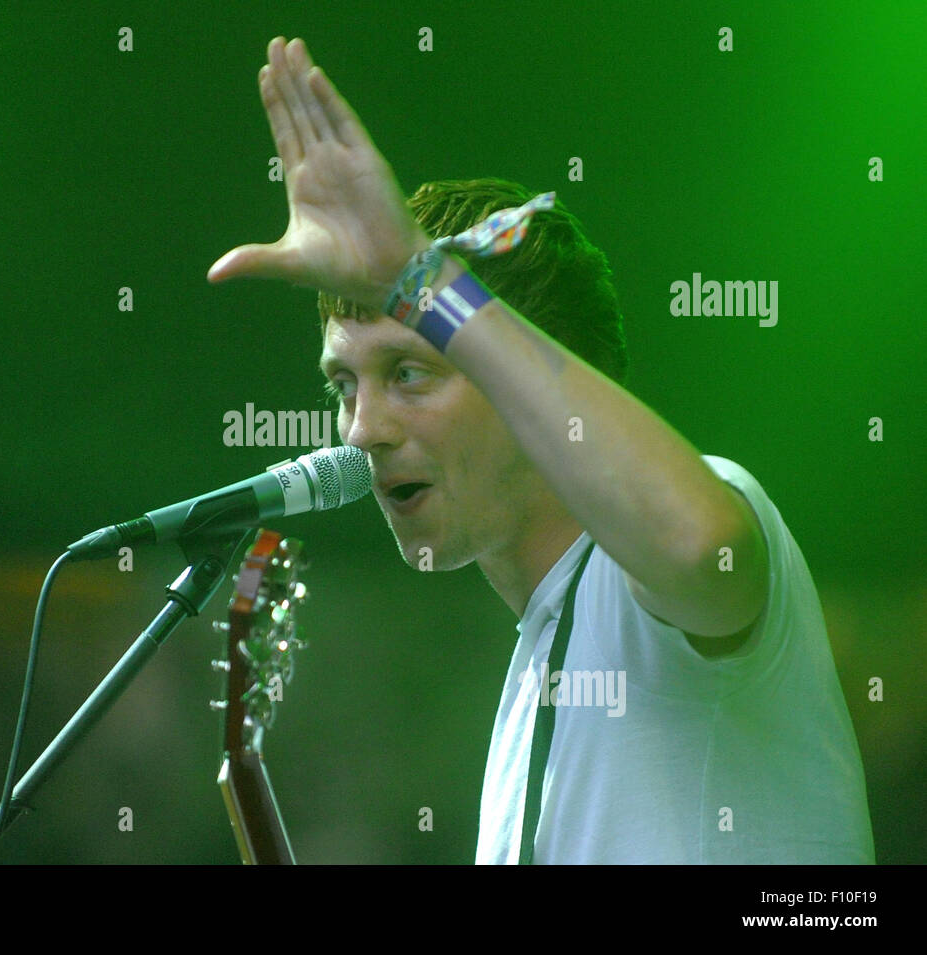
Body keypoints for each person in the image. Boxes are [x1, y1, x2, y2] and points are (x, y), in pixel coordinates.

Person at [207, 36, 875, 864]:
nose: (361, 428)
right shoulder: (531, 685)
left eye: (410, 372)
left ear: (528, 381)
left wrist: (420, 279)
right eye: (344, 385)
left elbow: (702, 548)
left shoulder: (691, 530)